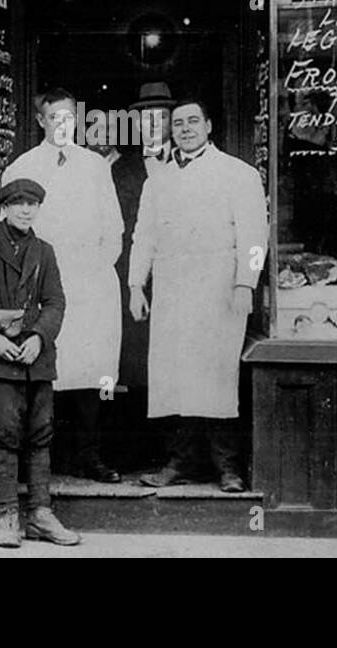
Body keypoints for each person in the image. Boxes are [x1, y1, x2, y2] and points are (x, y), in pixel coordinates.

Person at [128, 98, 268, 493]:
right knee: (175, 376)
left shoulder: (237, 174)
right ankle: (180, 462)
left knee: (217, 376)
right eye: (178, 123)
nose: (185, 128)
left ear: (209, 125)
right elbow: (145, 235)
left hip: (219, 289)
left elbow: (255, 235)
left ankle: (228, 467)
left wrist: (246, 282)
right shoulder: (158, 179)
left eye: (193, 121)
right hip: (172, 290)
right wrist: (136, 284)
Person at [2, 88, 125, 483]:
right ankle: (45, 459)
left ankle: (89, 456)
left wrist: (97, 268)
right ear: (41, 121)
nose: (62, 124)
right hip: (42, 285)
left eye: (69, 117)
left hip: (91, 284)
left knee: (93, 371)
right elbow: (11, 232)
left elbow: (114, 227)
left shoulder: (94, 165)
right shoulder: (22, 166)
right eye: (54, 117)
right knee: (46, 371)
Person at [0, 177, 81, 547]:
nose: (26, 210)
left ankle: (41, 513)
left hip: (34, 357)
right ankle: (9, 515)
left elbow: (56, 302)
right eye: (18, 203)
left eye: (32, 204)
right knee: (5, 432)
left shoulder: (44, 251)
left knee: (41, 432)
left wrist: (40, 337)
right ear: (4, 208)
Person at [110, 82, 176, 460]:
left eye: (161, 116)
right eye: (145, 117)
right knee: (135, 361)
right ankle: (139, 448)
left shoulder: (191, 162)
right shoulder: (122, 170)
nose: (153, 123)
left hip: (181, 277)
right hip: (132, 278)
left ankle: (176, 451)